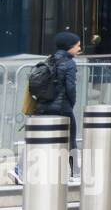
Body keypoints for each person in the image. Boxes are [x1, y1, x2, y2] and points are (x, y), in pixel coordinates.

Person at [10, 31, 83, 184]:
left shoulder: (49, 59)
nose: (79, 48)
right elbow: (70, 88)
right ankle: (75, 173)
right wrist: (71, 103)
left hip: (42, 106)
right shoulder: (69, 63)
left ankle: (19, 170)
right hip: (62, 108)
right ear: (69, 47)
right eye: (77, 46)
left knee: (35, 139)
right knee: (71, 139)